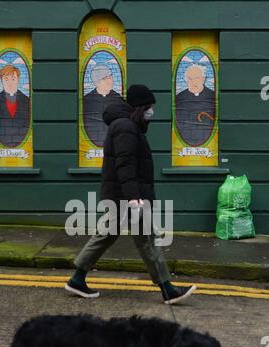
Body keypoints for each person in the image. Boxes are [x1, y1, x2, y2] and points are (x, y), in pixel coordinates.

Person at [66, 84, 196, 305]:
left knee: (106, 234)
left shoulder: (125, 125)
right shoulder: (126, 127)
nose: (151, 112)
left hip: (121, 195)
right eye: (149, 107)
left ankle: (77, 279)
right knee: (147, 240)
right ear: (140, 106)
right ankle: (167, 289)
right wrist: (134, 197)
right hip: (127, 197)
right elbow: (125, 164)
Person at [175, 64, 215, 146]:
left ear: (203, 79)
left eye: (197, 78)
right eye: (190, 78)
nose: (193, 82)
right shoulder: (178, 98)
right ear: (185, 80)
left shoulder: (213, 96)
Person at [83, 64, 122, 146]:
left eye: (110, 77)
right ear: (96, 82)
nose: (110, 81)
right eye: (105, 79)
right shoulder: (87, 100)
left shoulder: (119, 99)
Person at [0, 65, 30, 147]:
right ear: (2, 81)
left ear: (18, 80)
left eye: (13, 79)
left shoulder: (27, 101)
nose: (10, 83)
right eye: (6, 79)